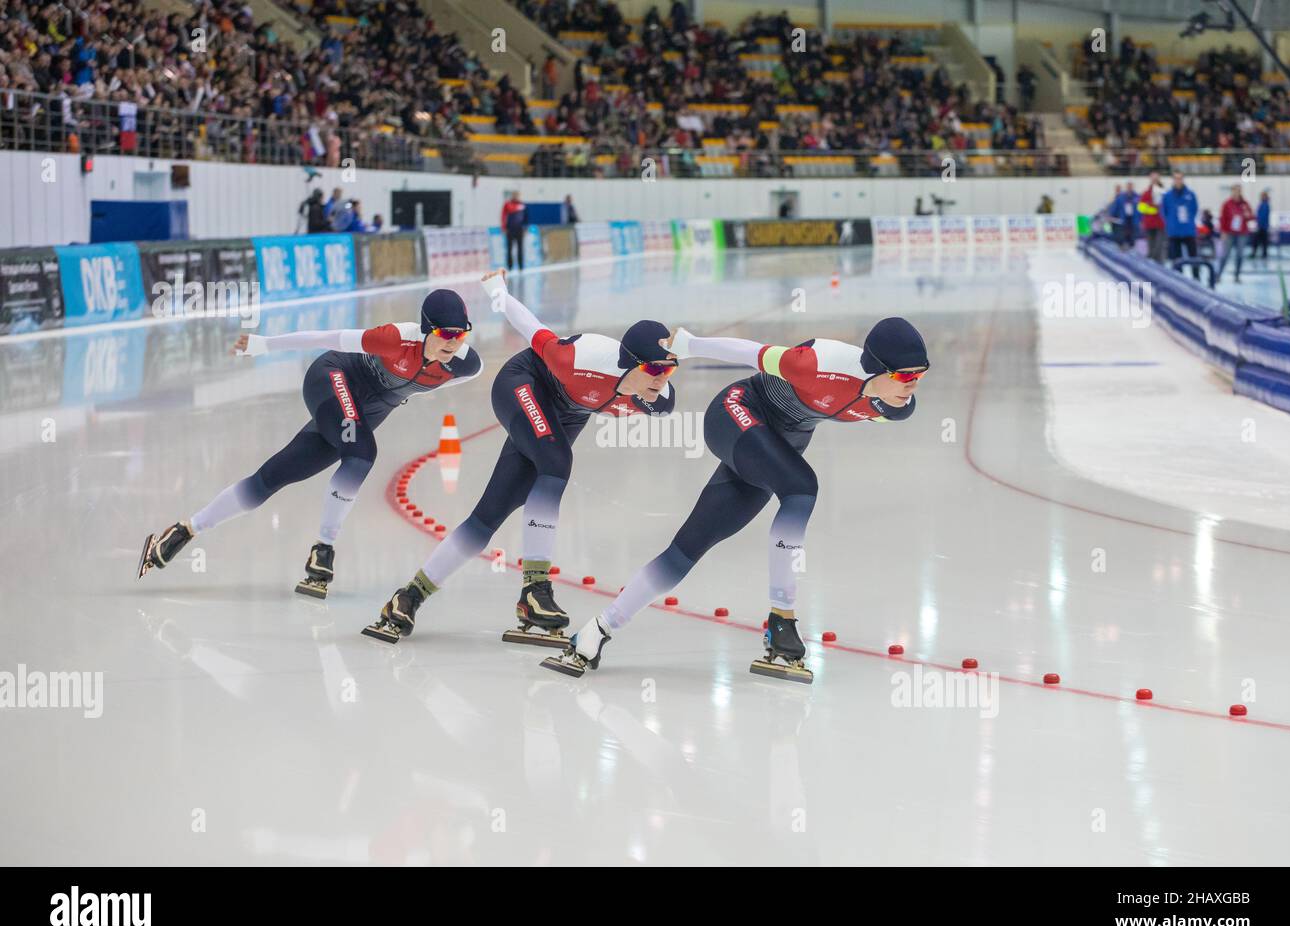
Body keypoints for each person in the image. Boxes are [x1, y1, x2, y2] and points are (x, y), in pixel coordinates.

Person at [545, 318, 929, 684]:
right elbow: (750, 351)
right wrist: (691, 345)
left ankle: (595, 632)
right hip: (737, 413)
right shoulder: (817, 363)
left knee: (688, 547)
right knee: (801, 488)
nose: (912, 385)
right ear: (874, 367)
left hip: (773, 447)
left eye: (920, 375)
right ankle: (782, 620)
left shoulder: (894, 408)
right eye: (904, 376)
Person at [362, 269, 679, 644]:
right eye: (654, 369)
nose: (662, 378)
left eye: (669, 369)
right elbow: (533, 328)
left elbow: (631, 394)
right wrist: (500, 292)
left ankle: (408, 597)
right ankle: (535, 590)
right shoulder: (578, 358)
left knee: (491, 513)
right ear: (630, 363)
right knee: (556, 463)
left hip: (568, 413)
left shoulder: (657, 403)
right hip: (524, 383)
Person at [137, 291, 483, 598]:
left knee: (272, 478)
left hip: (366, 410)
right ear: (426, 329)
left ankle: (184, 530)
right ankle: (324, 549)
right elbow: (326, 337)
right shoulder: (395, 339)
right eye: (444, 333)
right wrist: (264, 345)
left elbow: (426, 384)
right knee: (361, 455)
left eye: (461, 332)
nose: (453, 341)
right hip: (335, 377)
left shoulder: (467, 364)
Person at [1217, 184, 1253, 283]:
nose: (1237, 193)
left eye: (1239, 191)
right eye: (1235, 191)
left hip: (1242, 233)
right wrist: (1223, 231)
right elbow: (1222, 218)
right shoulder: (1227, 204)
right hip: (1229, 233)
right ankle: (1218, 275)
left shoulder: (1245, 204)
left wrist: (1248, 216)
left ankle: (1237, 276)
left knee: (1240, 255)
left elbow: (1251, 216)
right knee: (1225, 255)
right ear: (1232, 192)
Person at [1161, 172, 1198, 261]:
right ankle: (1177, 274)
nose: (1178, 180)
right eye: (1176, 178)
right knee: (1176, 260)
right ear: (1173, 180)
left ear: (1183, 179)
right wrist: (1170, 223)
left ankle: (1195, 274)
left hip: (1188, 230)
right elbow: (1163, 211)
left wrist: (1189, 222)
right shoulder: (1167, 196)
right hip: (1174, 232)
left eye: (1180, 178)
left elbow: (1194, 209)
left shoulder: (1191, 194)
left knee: (1193, 257)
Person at [1137, 172, 1165, 263]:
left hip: (1160, 224)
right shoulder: (1146, 193)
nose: (1154, 181)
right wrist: (1153, 209)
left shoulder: (1164, 193)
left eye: (1156, 179)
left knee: (1159, 247)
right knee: (1151, 246)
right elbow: (1140, 208)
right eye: (1153, 179)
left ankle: (1159, 265)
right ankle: (1151, 264)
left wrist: (1153, 208)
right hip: (1149, 224)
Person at [502, 191, 528, 270]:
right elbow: (503, 216)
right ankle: (510, 266)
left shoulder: (523, 205)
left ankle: (521, 266)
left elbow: (526, 218)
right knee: (509, 248)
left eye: (517, 195)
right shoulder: (507, 205)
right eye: (514, 195)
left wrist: (525, 229)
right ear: (512, 196)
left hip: (519, 230)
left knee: (520, 248)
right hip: (510, 229)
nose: (515, 196)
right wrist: (504, 228)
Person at [1250, 189, 1271, 261]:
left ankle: (1256, 254)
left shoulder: (1265, 205)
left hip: (1262, 227)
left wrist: (1260, 225)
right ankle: (1262, 254)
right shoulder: (1262, 204)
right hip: (1262, 226)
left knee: (1258, 241)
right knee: (1262, 241)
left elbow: (1263, 216)